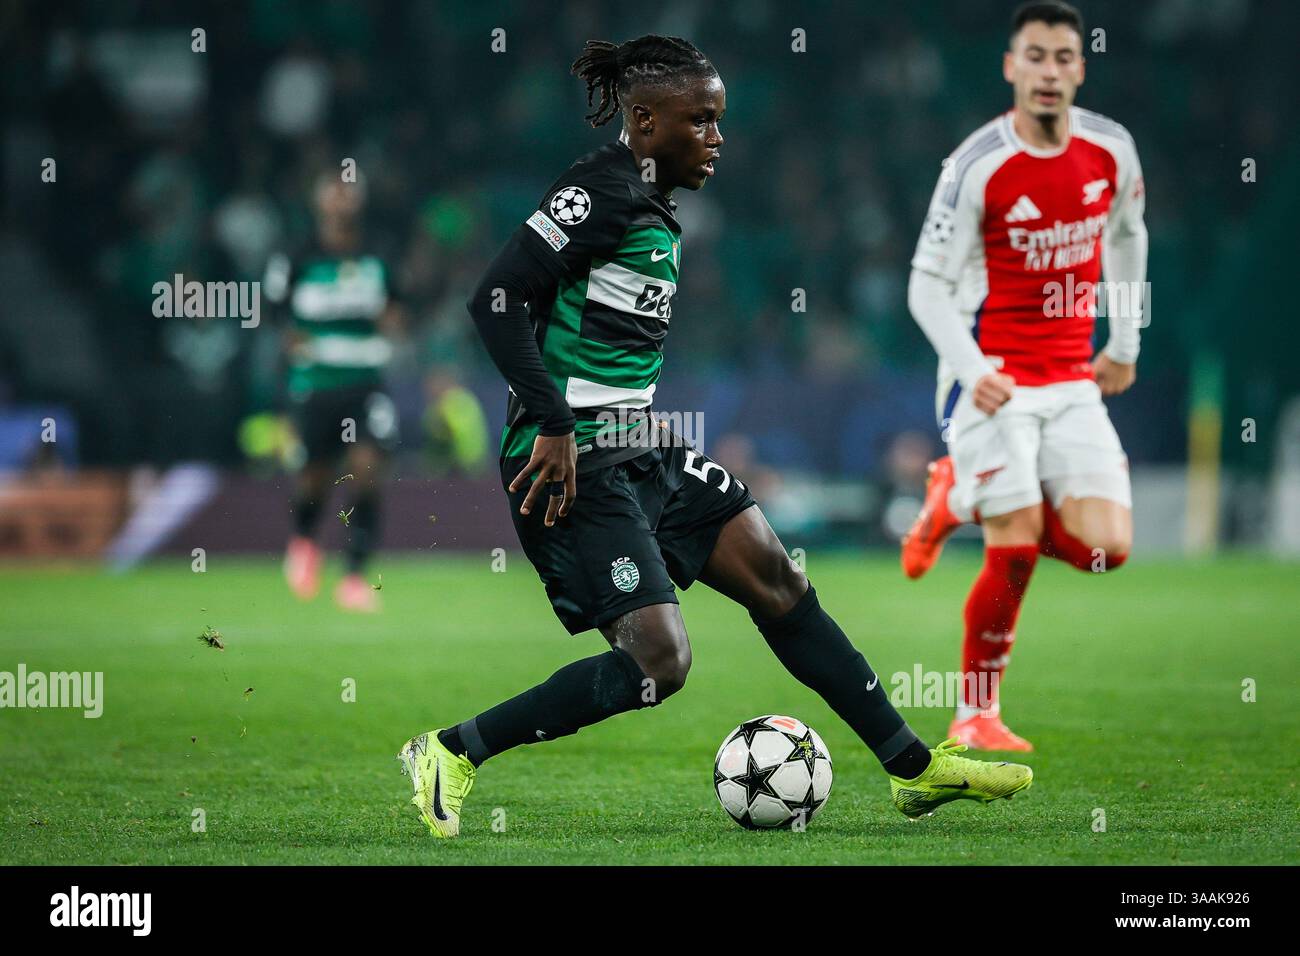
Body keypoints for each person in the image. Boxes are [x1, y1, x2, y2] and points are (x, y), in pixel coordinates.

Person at [397, 35, 1032, 837]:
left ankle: (914, 769)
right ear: (644, 118)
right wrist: (551, 420)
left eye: (719, 121)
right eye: (700, 122)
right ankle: (451, 750)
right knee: (661, 662)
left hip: (640, 445)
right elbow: (494, 299)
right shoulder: (599, 192)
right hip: (569, 461)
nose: (716, 138)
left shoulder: (653, 203)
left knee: (777, 577)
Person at [901, 1, 1147, 750]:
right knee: (1016, 543)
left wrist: (1126, 340)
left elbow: (1129, 236)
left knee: (1108, 548)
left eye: (1063, 56)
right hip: (992, 375)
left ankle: (954, 495)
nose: (1048, 71)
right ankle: (975, 713)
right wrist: (973, 371)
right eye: (1034, 56)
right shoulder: (976, 163)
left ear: (1081, 65)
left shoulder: (1111, 149)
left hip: (1072, 377)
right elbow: (924, 288)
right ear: (1012, 67)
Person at [264, 173, 403, 612]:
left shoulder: (379, 251)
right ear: (319, 201)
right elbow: (274, 311)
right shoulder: (296, 254)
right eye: (334, 192)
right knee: (316, 476)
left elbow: (398, 304)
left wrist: (394, 321)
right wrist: (288, 337)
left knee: (367, 469)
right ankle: (304, 540)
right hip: (316, 384)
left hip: (366, 383)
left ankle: (355, 575)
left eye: (349, 192)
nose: (342, 201)